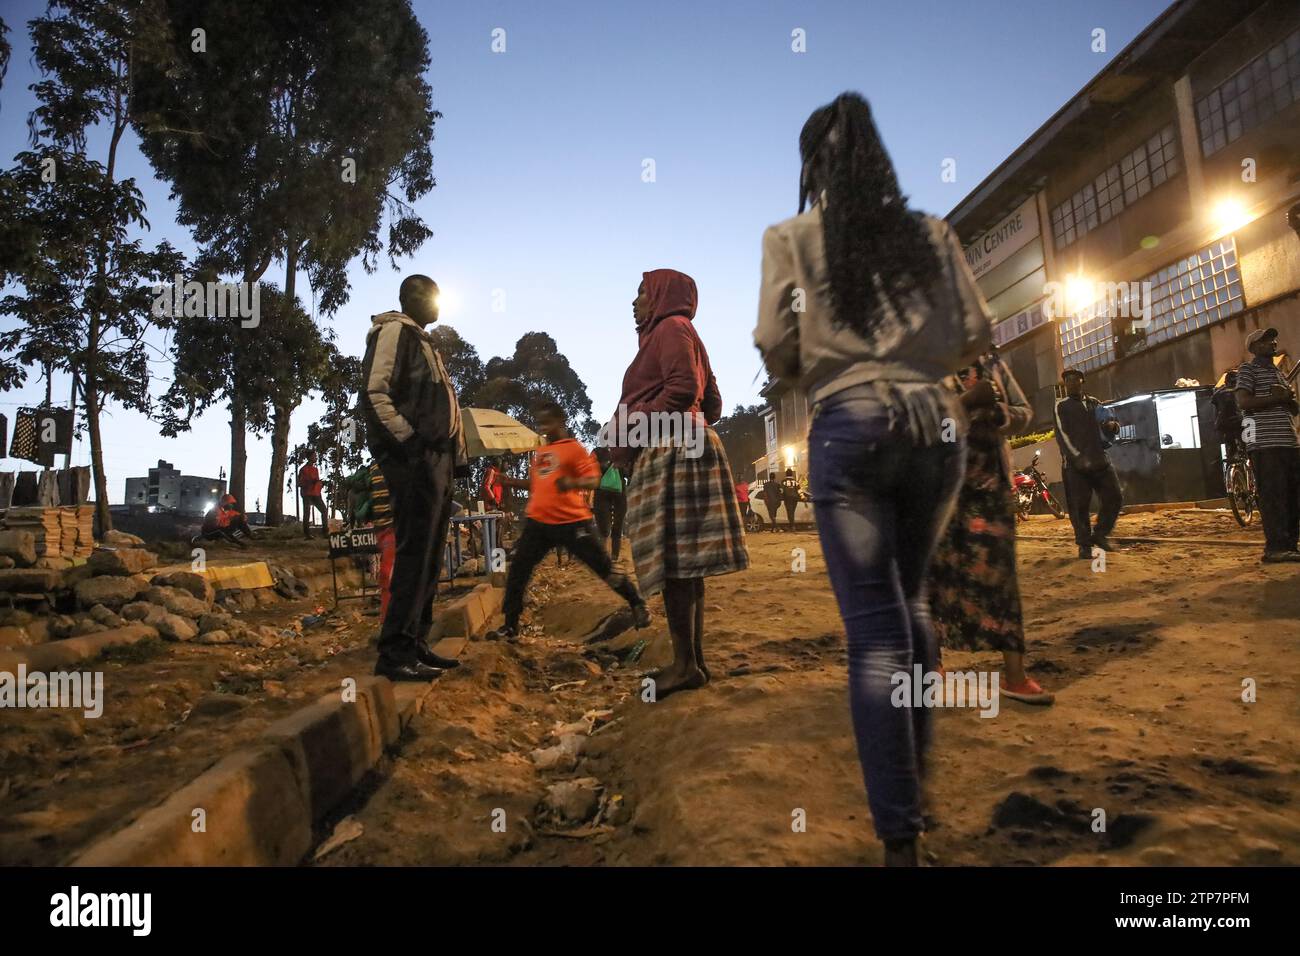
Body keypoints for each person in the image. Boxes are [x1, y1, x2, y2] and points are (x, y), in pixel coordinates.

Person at [754, 92, 990, 866]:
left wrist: (811, 368)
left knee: (876, 636)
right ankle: (914, 790)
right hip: (938, 425)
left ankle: (899, 837)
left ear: (813, 166)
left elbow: (774, 340)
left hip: (851, 426)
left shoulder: (794, 236)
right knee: (914, 602)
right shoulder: (929, 233)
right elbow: (975, 333)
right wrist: (916, 362)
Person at [612, 268, 749, 698]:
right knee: (687, 564)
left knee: (675, 563)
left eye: (641, 293)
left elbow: (682, 390)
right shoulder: (686, 333)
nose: (634, 302)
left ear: (661, 295)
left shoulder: (670, 329)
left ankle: (684, 664)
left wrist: (630, 427)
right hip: (691, 443)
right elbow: (713, 404)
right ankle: (693, 660)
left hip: (672, 450)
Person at [929, 354, 1053, 705]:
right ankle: (931, 665)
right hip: (944, 490)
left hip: (993, 489)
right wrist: (967, 402)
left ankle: (1015, 677)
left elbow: (1023, 411)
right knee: (938, 577)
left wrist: (998, 413)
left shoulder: (993, 364)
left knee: (1001, 577)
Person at [359, 274, 465, 681]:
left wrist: (454, 457)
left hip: (437, 462)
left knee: (431, 554)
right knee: (412, 553)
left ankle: (417, 642)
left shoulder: (424, 340)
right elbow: (374, 393)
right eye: (432, 295)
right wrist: (411, 443)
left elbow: (446, 406)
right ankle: (394, 653)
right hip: (414, 461)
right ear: (412, 298)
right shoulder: (392, 332)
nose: (438, 303)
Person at [486, 402, 651, 641]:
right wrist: (509, 481)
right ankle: (510, 625)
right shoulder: (542, 452)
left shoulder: (574, 449)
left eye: (548, 422)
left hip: (572, 522)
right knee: (518, 571)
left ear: (561, 422)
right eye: (541, 423)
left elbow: (593, 480)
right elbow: (537, 484)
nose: (544, 427)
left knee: (603, 566)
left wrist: (571, 484)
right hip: (538, 523)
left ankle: (637, 604)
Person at [1235, 328, 1300, 562]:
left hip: (1288, 442)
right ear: (1254, 348)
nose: (1273, 343)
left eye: (1273, 339)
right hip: (1265, 444)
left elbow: (1293, 409)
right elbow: (1243, 401)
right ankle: (1275, 548)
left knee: (1293, 496)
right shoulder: (1248, 370)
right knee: (1274, 496)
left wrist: (1289, 397)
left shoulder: (1279, 374)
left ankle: (1290, 544)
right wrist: (1277, 398)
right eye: (1265, 341)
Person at [1053, 368, 1122, 559]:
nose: (1070, 384)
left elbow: (1111, 423)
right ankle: (1084, 545)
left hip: (1100, 461)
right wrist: (1076, 458)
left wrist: (1113, 427)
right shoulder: (1061, 406)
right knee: (1079, 507)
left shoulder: (1095, 403)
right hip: (1075, 467)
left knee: (1115, 497)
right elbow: (1062, 435)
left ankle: (1100, 534)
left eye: (1074, 380)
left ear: (1082, 381)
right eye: (1067, 381)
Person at [592, 445, 628, 560]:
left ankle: (614, 557)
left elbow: (628, 472)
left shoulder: (623, 451)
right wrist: (605, 465)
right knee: (603, 529)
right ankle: (602, 556)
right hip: (601, 493)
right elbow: (589, 468)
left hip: (619, 493)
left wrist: (622, 465)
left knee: (617, 527)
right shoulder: (597, 452)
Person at [1212, 367, 1244, 462]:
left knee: (1230, 443)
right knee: (1248, 444)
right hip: (1240, 421)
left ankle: (1231, 459)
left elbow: (1216, 410)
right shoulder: (1240, 390)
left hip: (1223, 424)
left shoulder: (1218, 393)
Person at [297, 454, 329, 539]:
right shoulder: (303, 469)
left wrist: (320, 484)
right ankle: (307, 534)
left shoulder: (315, 469)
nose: (316, 458)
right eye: (314, 456)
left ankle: (325, 532)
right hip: (307, 494)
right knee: (307, 513)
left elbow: (316, 482)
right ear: (309, 457)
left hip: (316, 494)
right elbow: (299, 483)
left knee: (324, 511)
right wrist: (310, 482)